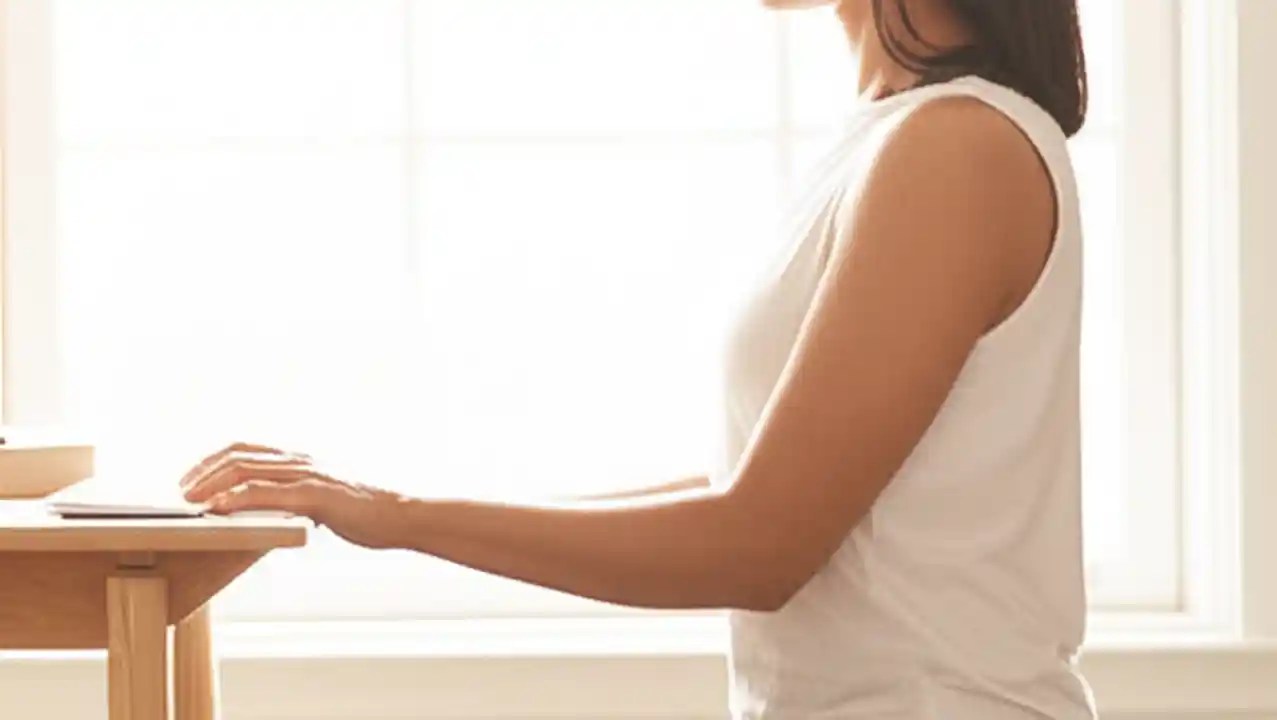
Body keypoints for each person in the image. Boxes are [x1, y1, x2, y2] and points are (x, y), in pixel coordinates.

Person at [180, 0, 1095, 717]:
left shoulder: (957, 148)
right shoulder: (893, 139)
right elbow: (758, 491)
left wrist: (398, 516)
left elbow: (761, 544)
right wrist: (388, 505)